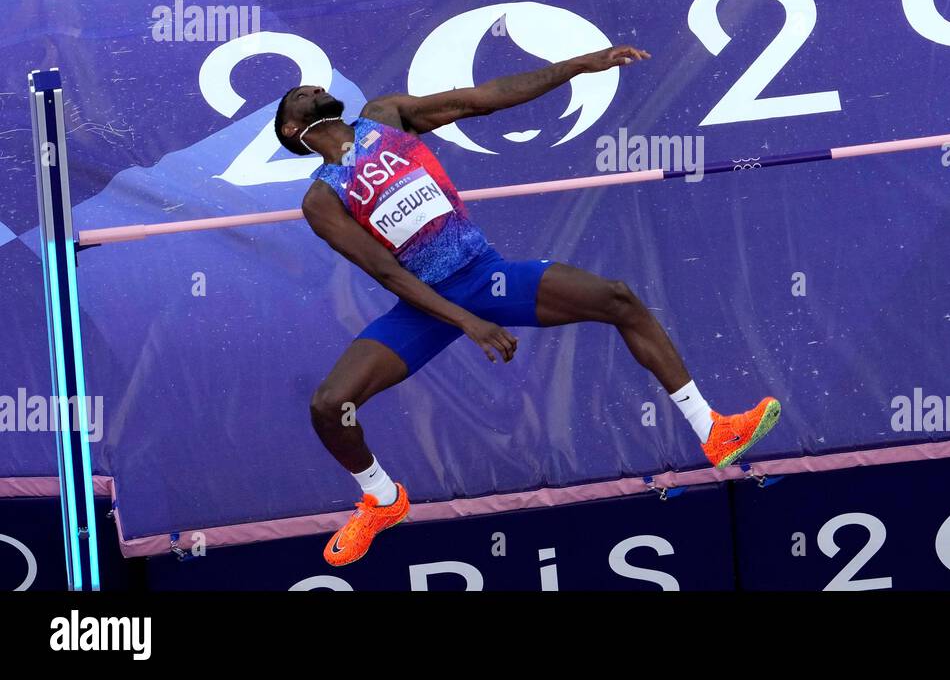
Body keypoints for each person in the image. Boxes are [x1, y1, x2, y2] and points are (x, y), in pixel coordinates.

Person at [275, 45, 781, 566]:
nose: (311, 87)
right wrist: (467, 322)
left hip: (484, 276)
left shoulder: (385, 117)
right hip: (425, 305)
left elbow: (483, 99)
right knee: (329, 405)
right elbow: (387, 272)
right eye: (299, 94)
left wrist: (578, 66)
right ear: (292, 130)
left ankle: (713, 430)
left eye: (312, 84)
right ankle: (382, 500)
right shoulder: (322, 199)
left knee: (618, 298)